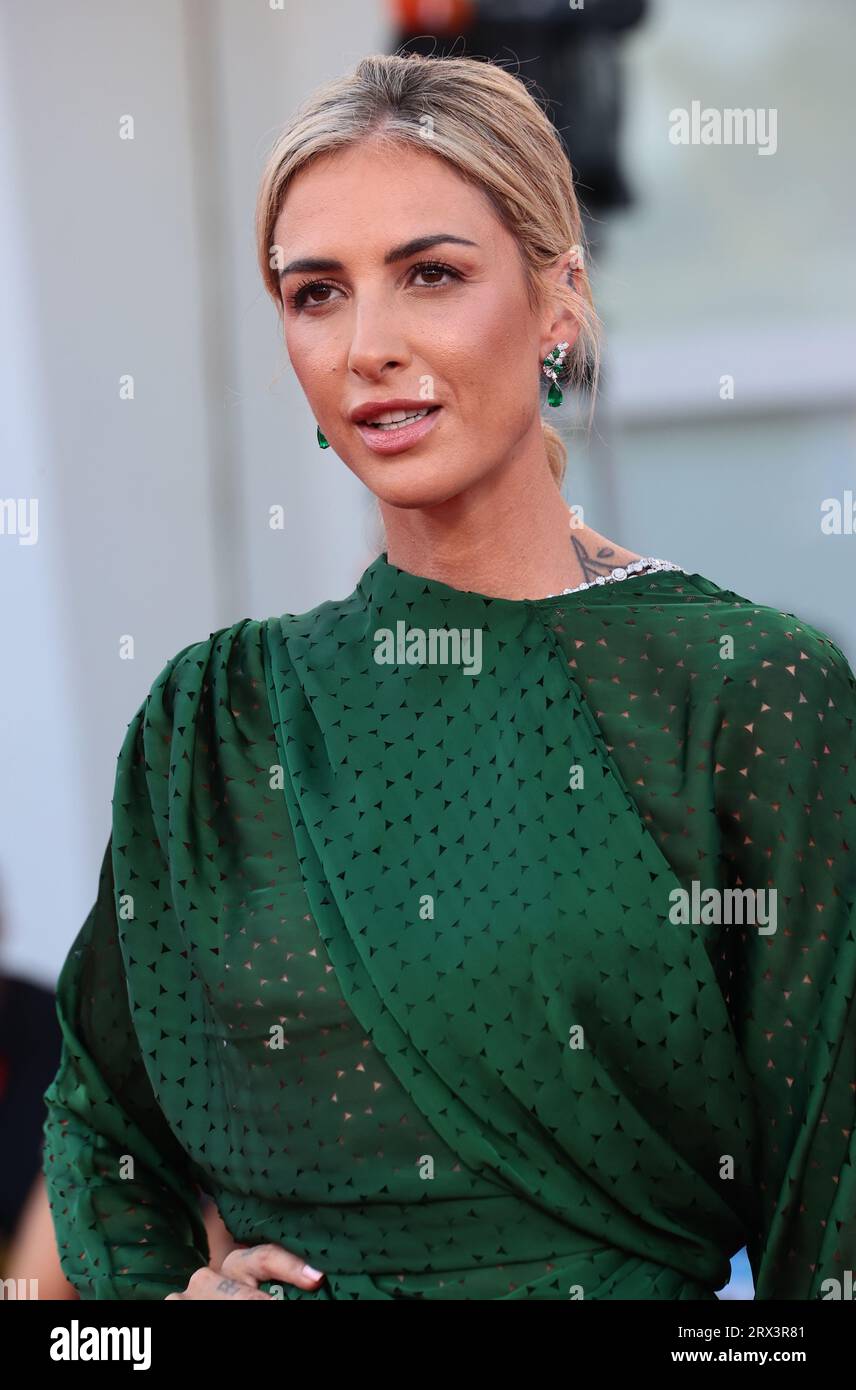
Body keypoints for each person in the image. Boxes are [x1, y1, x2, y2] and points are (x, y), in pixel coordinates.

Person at [42, 51, 855, 1302]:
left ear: (559, 301)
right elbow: (101, 1125)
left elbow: (833, 1202)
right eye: (316, 293)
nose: (370, 345)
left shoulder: (747, 690)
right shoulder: (211, 727)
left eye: (430, 275)